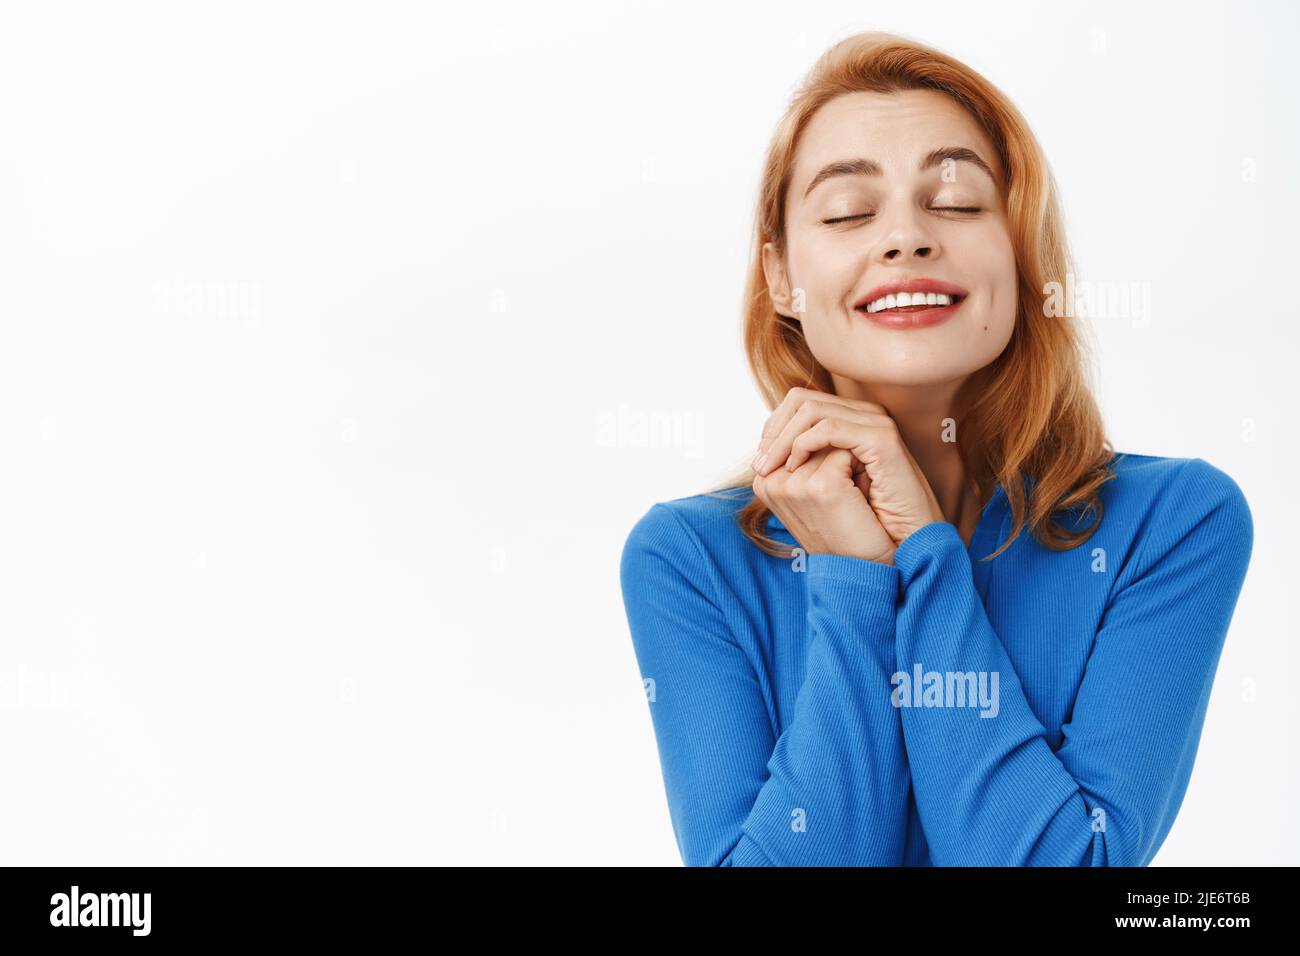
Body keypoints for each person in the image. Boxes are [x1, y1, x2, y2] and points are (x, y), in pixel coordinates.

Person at [619, 31, 1253, 866]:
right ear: (781, 277)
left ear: (1021, 249)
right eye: (848, 211)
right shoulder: (687, 559)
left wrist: (924, 553)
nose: (907, 238)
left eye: (956, 203)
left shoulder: (1171, 523)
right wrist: (855, 581)